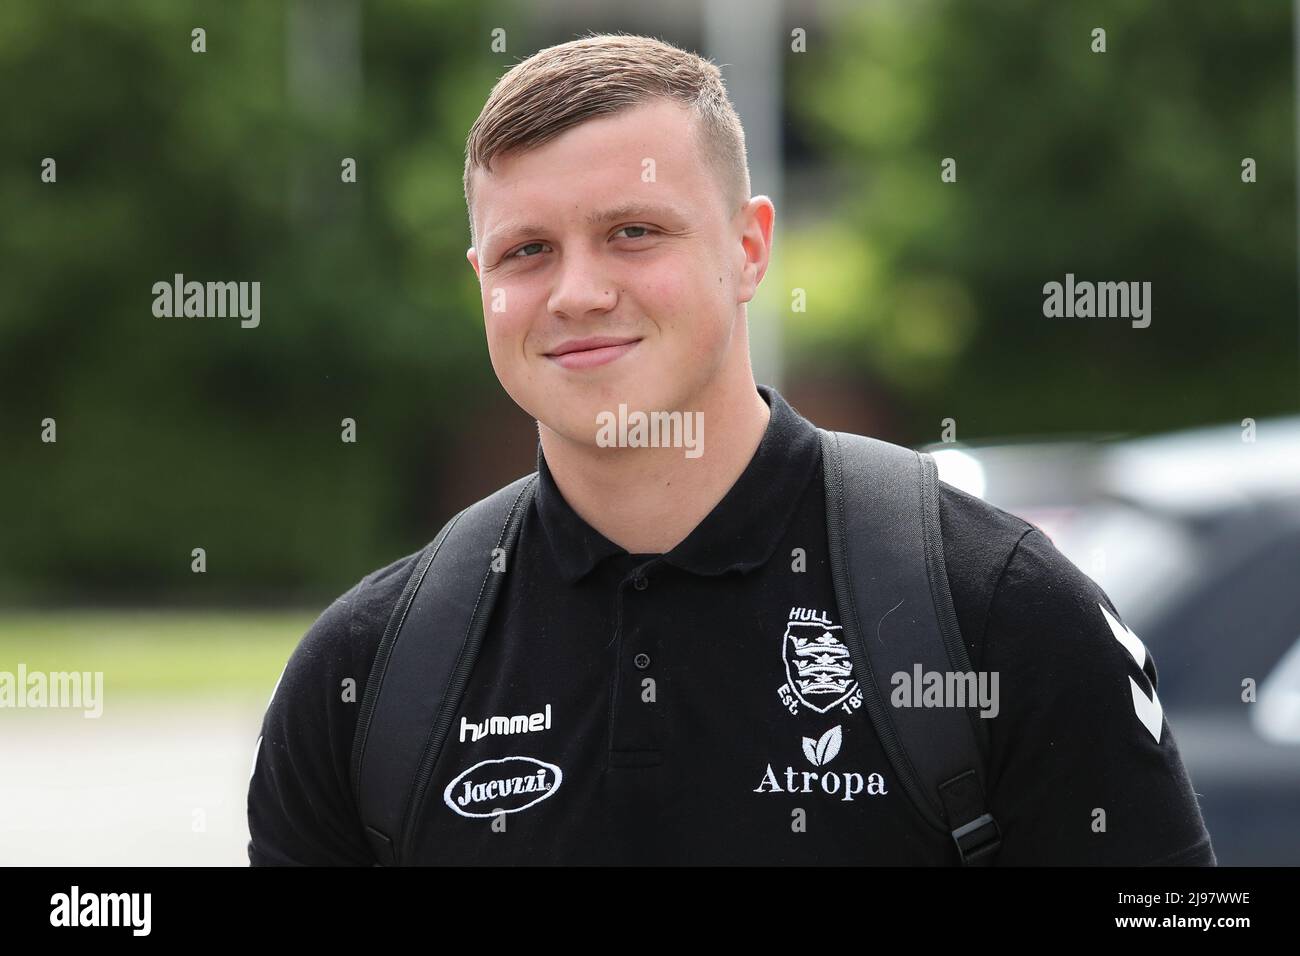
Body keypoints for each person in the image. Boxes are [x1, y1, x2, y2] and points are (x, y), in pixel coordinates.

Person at [246, 32, 1215, 866]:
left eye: (632, 232)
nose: (577, 291)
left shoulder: (998, 608)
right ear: (481, 280)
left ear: (749, 248)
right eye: (526, 250)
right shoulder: (366, 672)